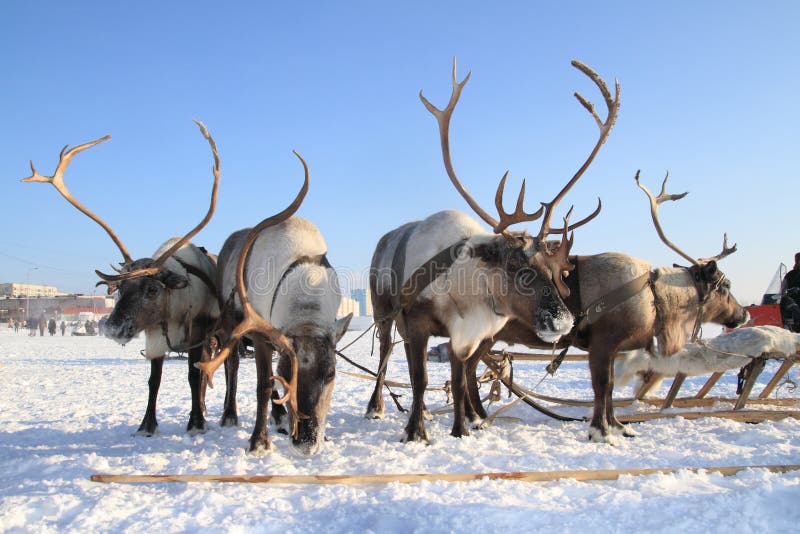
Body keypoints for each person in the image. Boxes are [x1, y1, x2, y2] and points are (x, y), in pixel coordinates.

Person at [781, 253, 800, 332]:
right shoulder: (790, 274)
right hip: (792, 303)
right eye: (798, 260)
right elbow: (782, 288)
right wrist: (782, 293)